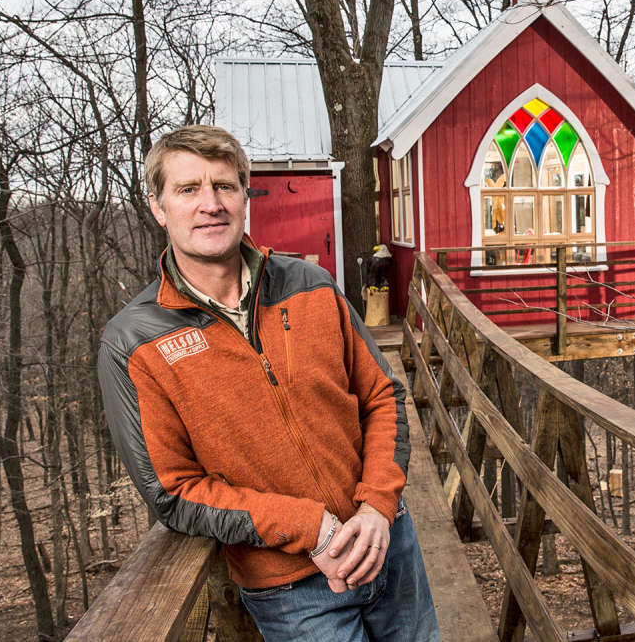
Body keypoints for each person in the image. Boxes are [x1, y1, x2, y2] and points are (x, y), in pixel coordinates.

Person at [97, 125, 438, 642]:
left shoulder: (310, 285)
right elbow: (173, 491)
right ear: (158, 207)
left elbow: (381, 395)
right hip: (291, 587)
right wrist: (309, 528)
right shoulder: (136, 340)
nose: (210, 203)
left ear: (244, 197)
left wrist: (377, 506)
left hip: (389, 546)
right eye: (188, 189)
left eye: (225, 187)